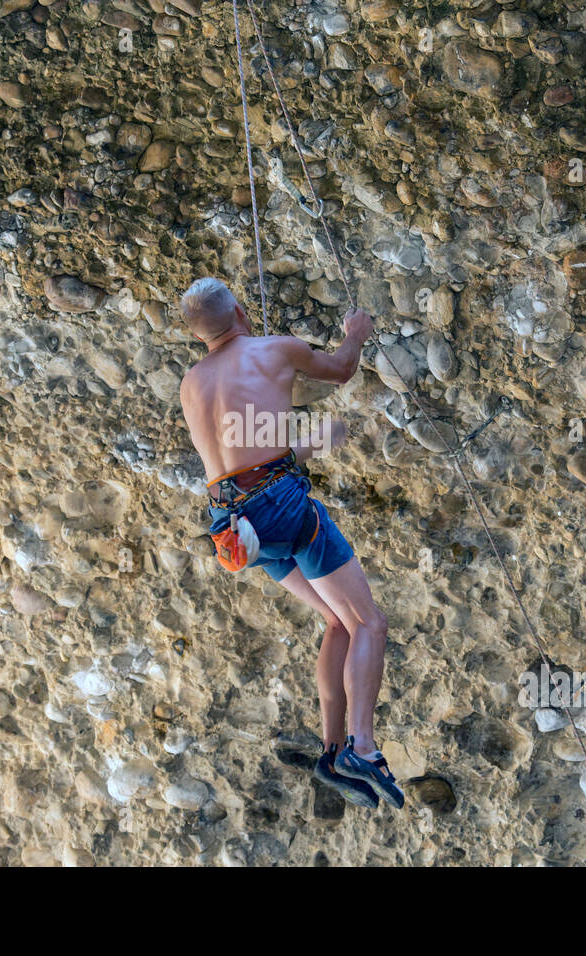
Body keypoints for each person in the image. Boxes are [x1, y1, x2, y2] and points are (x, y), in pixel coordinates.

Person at [177, 277, 404, 809]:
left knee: (336, 621)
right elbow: (342, 369)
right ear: (238, 309)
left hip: (235, 528)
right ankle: (363, 748)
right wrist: (356, 332)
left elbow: (242, 465)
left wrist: (308, 446)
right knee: (369, 622)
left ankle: (330, 750)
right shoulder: (273, 348)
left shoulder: (191, 383)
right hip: (280, 510)